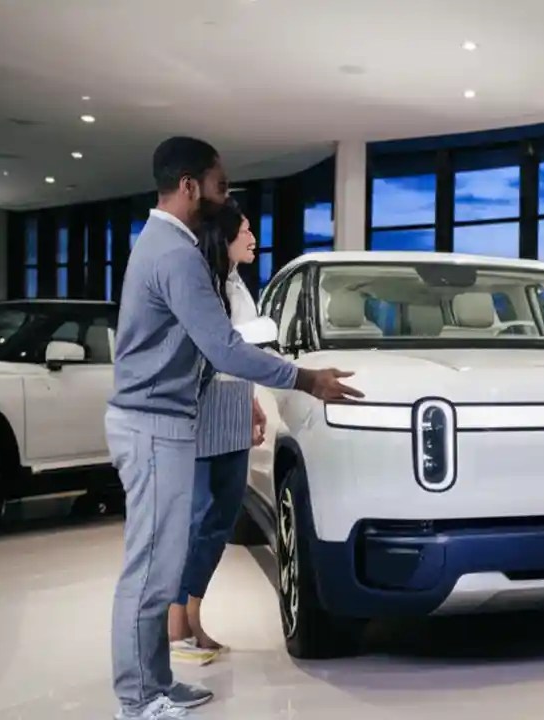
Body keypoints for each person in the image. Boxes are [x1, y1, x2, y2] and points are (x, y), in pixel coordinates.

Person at [106, 136, 363, 720]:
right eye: (220, 187)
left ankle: (157, 683)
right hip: (152, 425)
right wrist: (305, 378)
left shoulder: (166, 246)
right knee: (149, 567)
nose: (227, 201)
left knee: (163, 561)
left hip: (163, 421)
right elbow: (222, 347)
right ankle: (137, 698)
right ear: (190, 186)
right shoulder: (174, 255)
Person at [167, 197, 264, 665]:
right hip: (201, 408)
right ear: (223, 237)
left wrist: (253, 402)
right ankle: (175, 627)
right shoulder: (201, 285)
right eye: (244, 230)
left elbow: (240, 354)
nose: (252, 238)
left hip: (232, 404)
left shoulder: (236, 285)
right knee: (199, 520)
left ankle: (193, 618)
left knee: (220, 519)